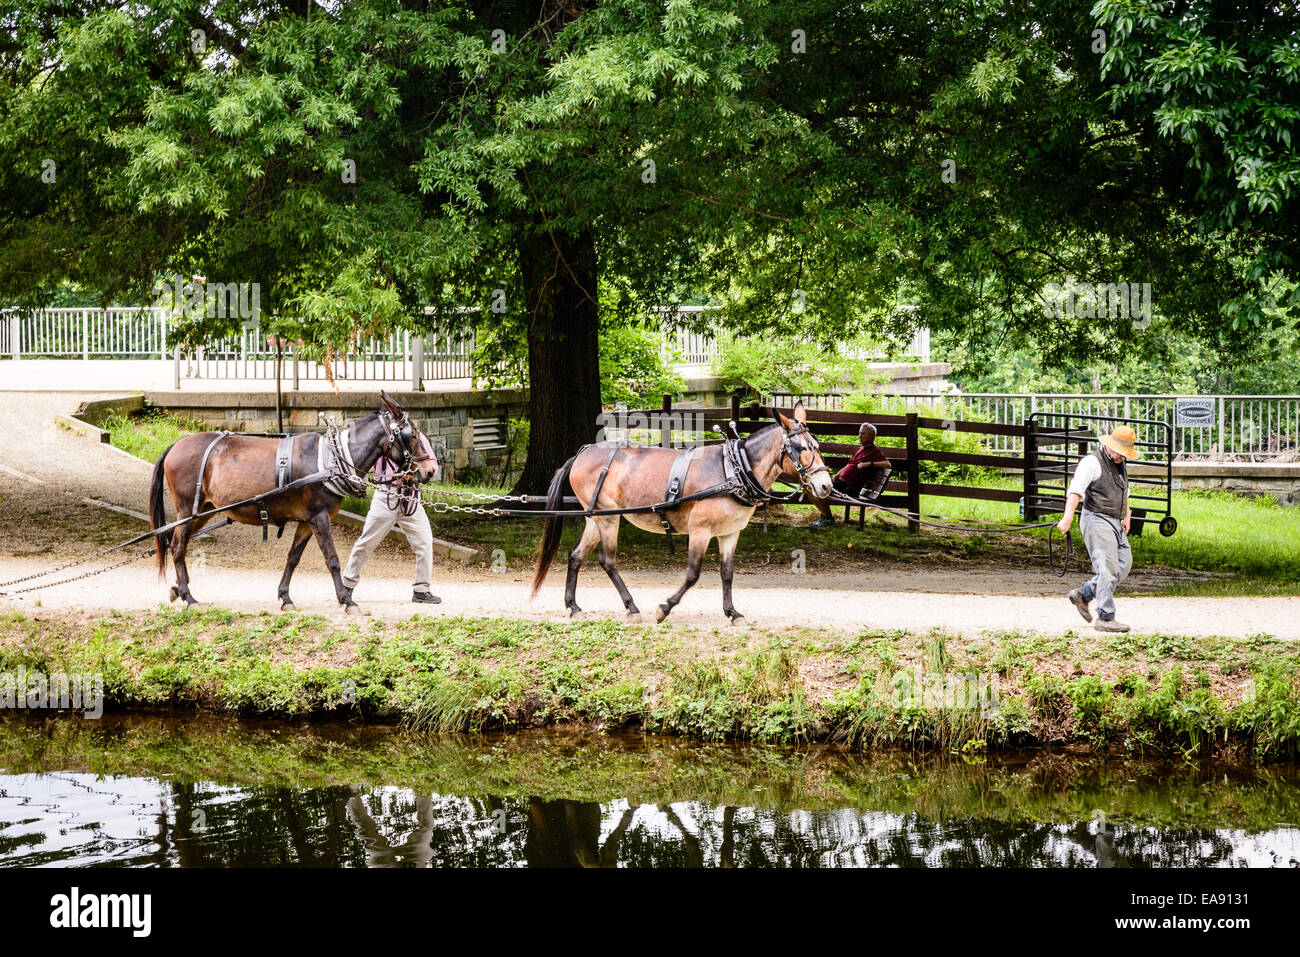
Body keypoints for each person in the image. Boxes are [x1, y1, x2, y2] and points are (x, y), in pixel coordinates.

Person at [1056, 425, 1140, 633]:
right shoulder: (1092, 462)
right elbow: (1076, 491)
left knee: (1124, 564)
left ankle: (1084, 595)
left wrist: (1127, 514)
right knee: (1107, 568)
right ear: (1109, 445)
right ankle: (1105, 617)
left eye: (1125, 453)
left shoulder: (1119, 462)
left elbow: (1124, 491)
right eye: (1120, 452)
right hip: (1096, 518)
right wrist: (1067, 518)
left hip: (1115, 521)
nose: (1122, 456)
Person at [341, 432, 442, 604]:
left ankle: (421, 590)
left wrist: (416, 475)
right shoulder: (381, 437)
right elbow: (363, 460)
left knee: (425, 541)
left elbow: (432, 464)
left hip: (411, 498)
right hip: (386, 495)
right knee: (367, 542)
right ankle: (346, 586)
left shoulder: (418, 437)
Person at [809, 422, 891, 528]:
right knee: (813, 487)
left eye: (863, 434)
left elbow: (887, 464)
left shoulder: (875, 451)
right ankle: (825, 517)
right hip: (841, 482)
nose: (859, 436)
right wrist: (836, 476)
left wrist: (868, 463)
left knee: (818, 489)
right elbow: (849, 465)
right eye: (859, 433)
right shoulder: (860, 449)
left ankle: (827, 518)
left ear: (871, 436)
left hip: (849, 487)